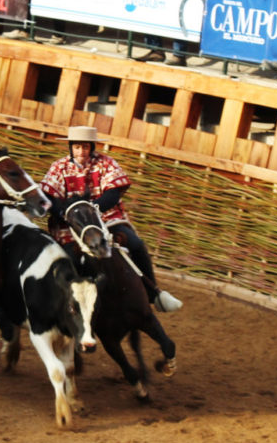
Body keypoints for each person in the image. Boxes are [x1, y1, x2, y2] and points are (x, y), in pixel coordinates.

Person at [41, 126, 182, 311]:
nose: (81, 152)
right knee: (68, 258)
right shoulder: (59, 167)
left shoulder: (106, 163)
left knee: (136, 244)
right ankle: (63, 302)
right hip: (72, 225)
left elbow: (113, 193)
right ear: (71, 147)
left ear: (92, 147)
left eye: (85, 147)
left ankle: (153, 293)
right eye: (77, 147)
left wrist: (92, 210)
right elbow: (49, 196)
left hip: (106, 219)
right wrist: (65, 213)